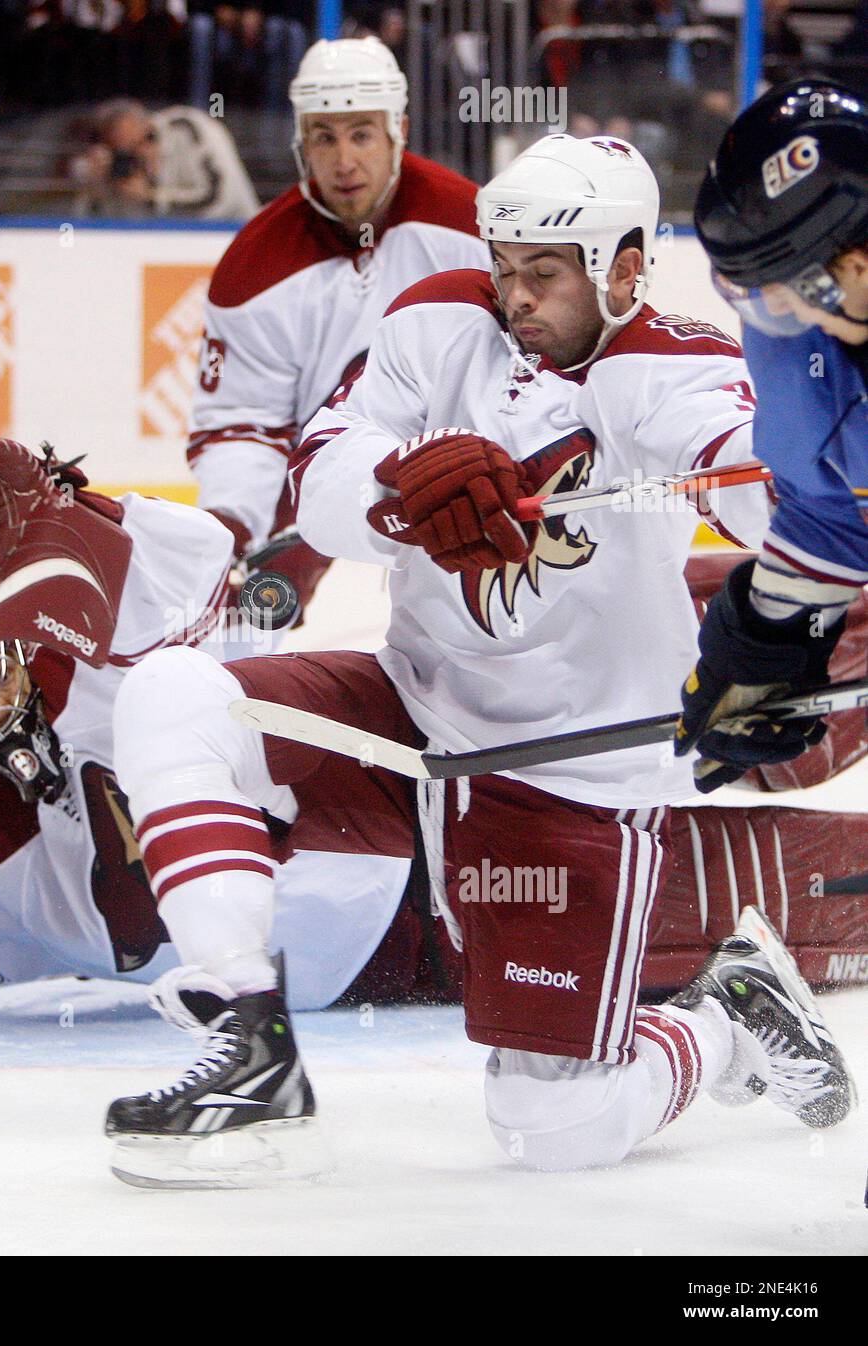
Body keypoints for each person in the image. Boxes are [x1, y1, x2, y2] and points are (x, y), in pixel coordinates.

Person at [105, 133, 857, 1185]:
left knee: (553, 1127)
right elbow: (324, 467)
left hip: (568, 770)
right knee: (172, 694)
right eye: (503, 263)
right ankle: (246, 1040)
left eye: (542, 273)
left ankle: (727, 1020)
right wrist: (401, 484)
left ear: (626, 267)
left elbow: (766, 486)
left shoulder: (673, 367)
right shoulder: (437, 315)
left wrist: (817, 499)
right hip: (411, 712)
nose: (514, 293)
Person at [0, 439, 868, 1054]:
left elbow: (167, 557)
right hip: (450, 923)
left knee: (777, 626)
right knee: (838, 888)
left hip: (458, 726)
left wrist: (20, 524)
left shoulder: (124, 629)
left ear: (34, 625)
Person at [187, 36, 486, 628]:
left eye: (361, 134)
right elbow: (243, 424)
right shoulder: (254, 268)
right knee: (244, 607)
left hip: (457, 457)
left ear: (398, 130)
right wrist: (232, 529)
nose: (344, 161)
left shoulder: (472, 229)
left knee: (480, 616)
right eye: (324, 136)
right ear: (302, 144)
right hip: (317, 463)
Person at [680, 79, 868, 796]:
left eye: (776, 287)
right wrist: (768, 642)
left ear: (852, 265)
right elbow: (830, 513)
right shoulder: (799, 344)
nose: (767, 309)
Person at [69, 97, 258, 220]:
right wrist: (96, 182)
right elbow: (96, 223)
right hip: (167, 247)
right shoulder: (123, 172)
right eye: (124, 153)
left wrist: (153, 198)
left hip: (232, 232)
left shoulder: (188, 128)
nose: (137, 153)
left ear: (147, 126)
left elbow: (219, 200)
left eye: (142, 141)